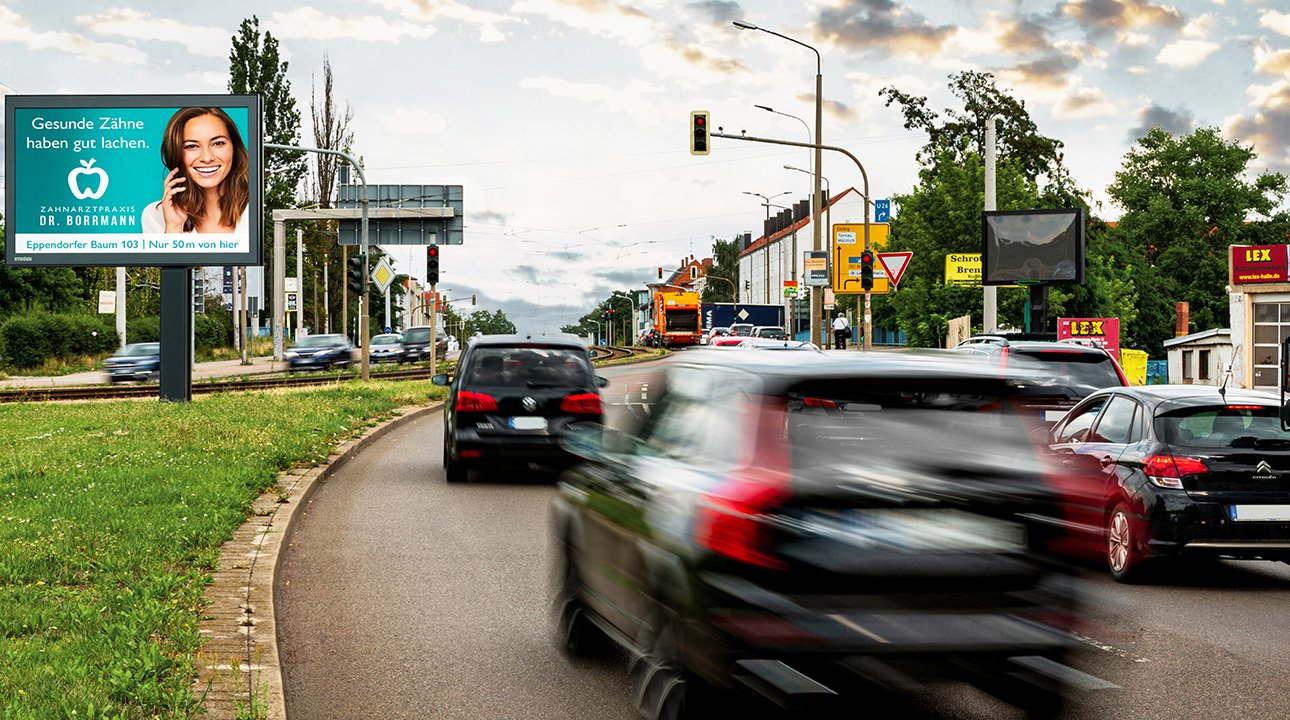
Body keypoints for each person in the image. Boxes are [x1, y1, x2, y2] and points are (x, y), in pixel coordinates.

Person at [142, 107, 249, 234]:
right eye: (192, 146)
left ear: (234, 148)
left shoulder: (256, 208)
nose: (207, 158)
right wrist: (174, 228)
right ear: (176, 153)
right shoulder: (155, 215)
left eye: (218, 143)